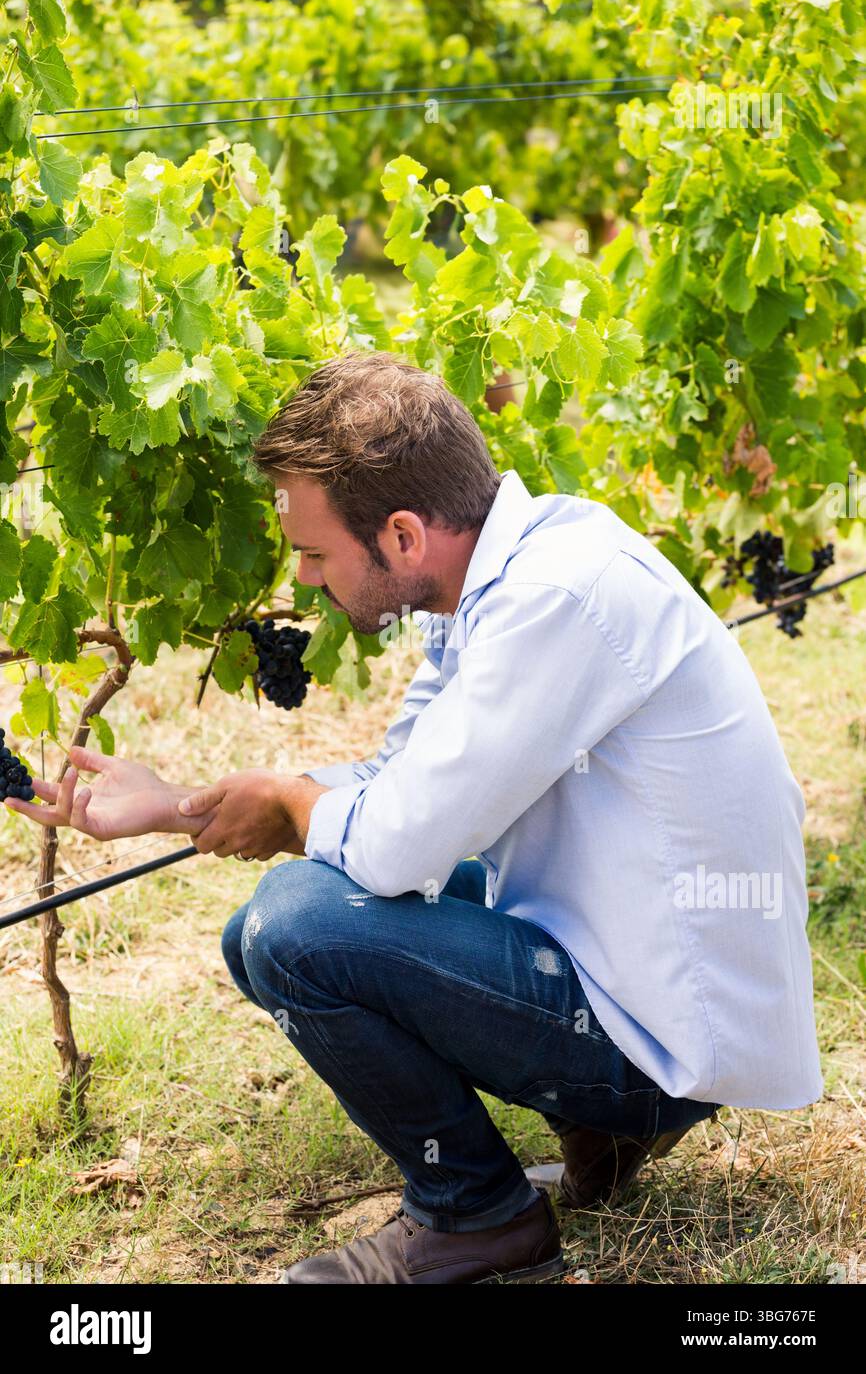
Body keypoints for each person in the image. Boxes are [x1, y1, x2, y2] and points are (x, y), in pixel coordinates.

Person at [4, 351, 824, 1286]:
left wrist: (288, 803)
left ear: (400, 535)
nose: (304, 579)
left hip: (673, 1028)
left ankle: (476, 1217)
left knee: (294, 929)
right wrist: (179, 805)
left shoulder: (553, 598)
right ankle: (596, 1131)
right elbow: (399, 783)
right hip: (637, 951)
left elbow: (394, 846)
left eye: (315, 554)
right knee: (277, 920)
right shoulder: (496, 575)